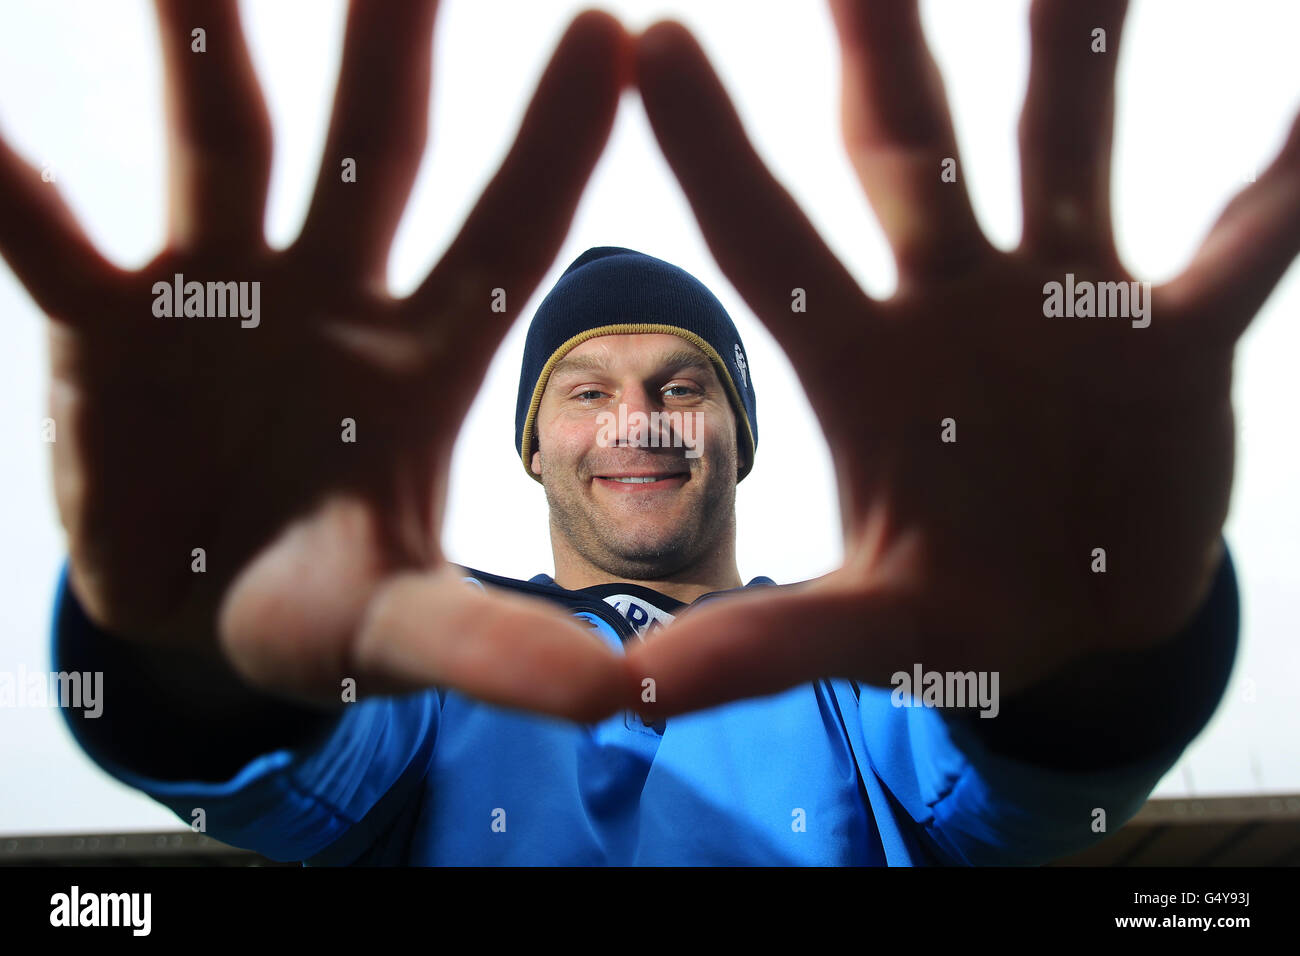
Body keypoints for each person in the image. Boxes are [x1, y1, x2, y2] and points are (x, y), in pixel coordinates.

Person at [2, 0, 1294, 864]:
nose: (638, 420)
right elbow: (300, 771)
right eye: (585, 388)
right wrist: (196, 642)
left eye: (685, 385)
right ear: (528, 445)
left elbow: (1013, 787)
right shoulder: (420, 642)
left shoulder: (867, 658)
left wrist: (1083, 629)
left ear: (743, 433)